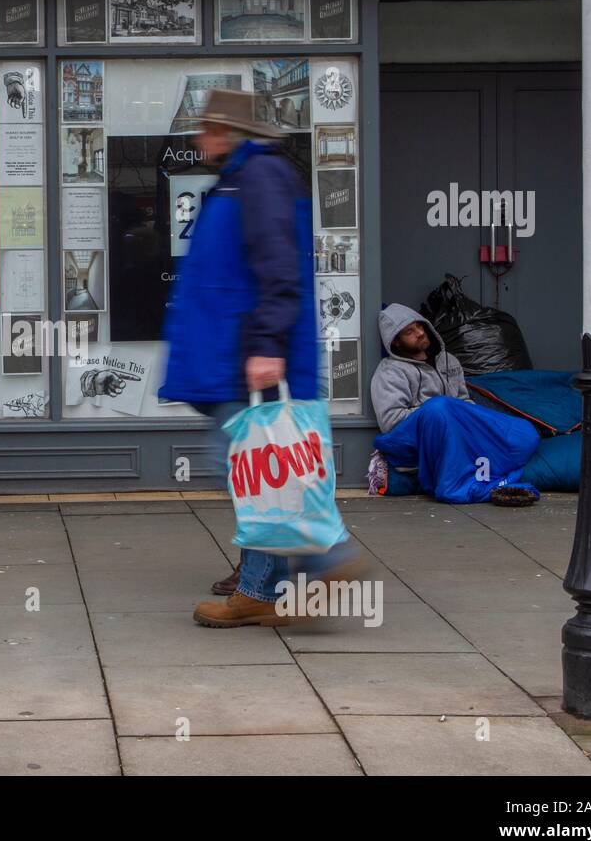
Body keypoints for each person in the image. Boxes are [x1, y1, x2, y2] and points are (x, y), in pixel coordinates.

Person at [158, 88, 365, 627]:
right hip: (232, 352)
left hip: (246, 355)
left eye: (206, 128)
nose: (199, 138)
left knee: (249, 470)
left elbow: (278, 267)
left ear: (228, 132)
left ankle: (326, 558)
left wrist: (267, 346)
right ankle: (262, 588)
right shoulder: (238, 178)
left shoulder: (260, 177)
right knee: (255, 472)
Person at [368, 303, 539, 504]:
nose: (420, 333)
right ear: (395, 342)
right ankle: (454, 485)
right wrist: (445, 412)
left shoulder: (448, 360)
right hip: (415, 442)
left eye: (420, 326)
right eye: (410, 332)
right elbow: (391, 422)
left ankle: (483, 470)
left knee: (525, 433)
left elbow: (464, 401)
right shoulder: (390, 372)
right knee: (440, 408)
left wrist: (470, 419)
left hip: (457, 433)